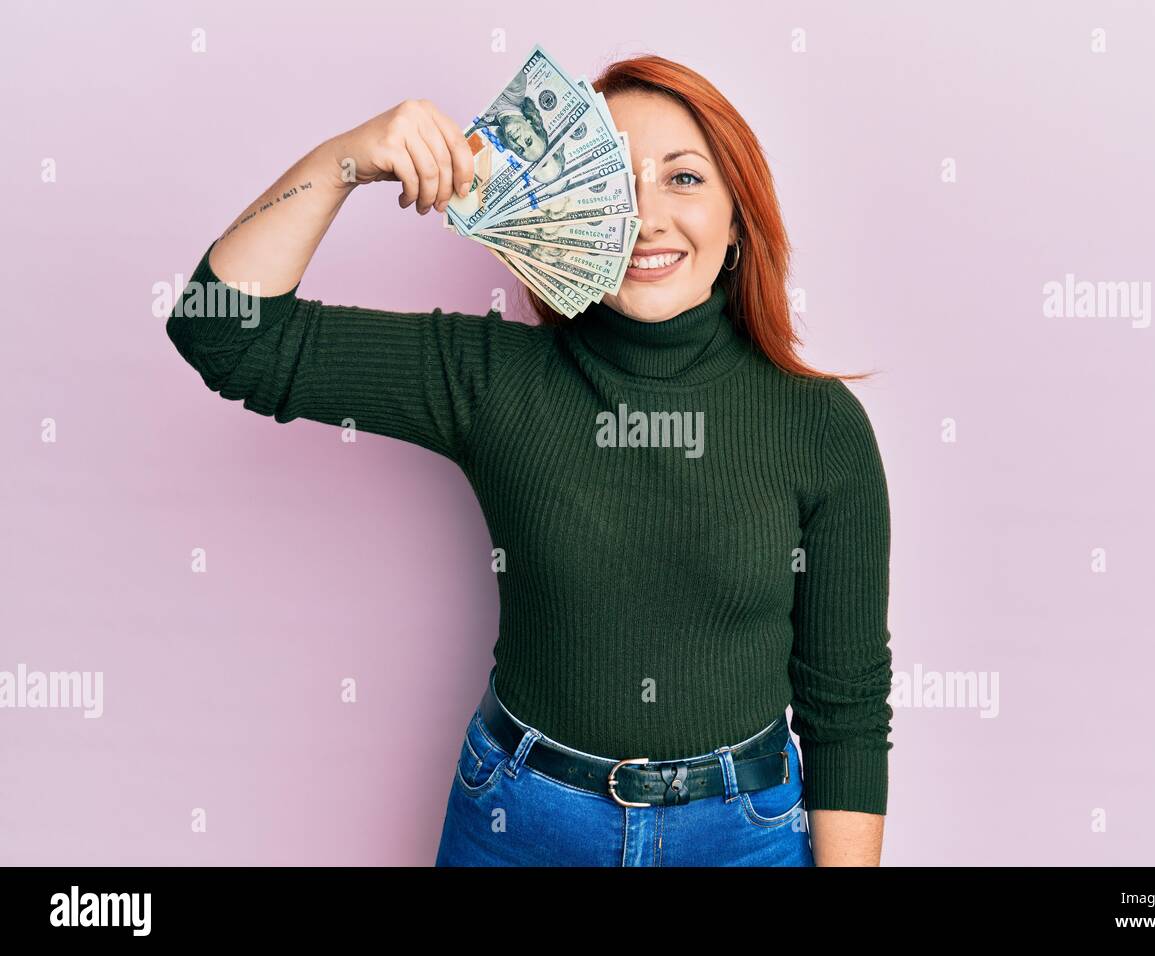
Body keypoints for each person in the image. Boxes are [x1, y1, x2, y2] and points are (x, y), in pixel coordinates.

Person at [165, 53, 894, 867]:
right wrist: (348, 158)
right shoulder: (492, 380)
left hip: (743, 837)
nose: (646, 219)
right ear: (565, 208)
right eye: (613, 180)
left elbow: (848, 709)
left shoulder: (821, 426)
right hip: (520, 824)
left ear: (738, 220)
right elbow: (221, 329)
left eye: (683, 179)